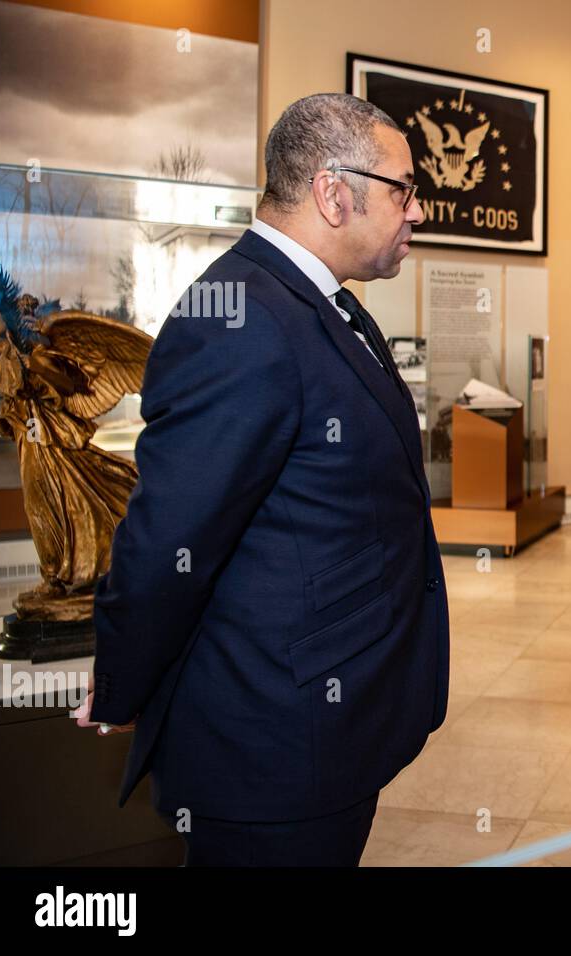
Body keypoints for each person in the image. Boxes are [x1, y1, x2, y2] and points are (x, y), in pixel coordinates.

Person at [73, 93, 449, 866]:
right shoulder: (237, 318)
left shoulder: (325, 303)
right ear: (334, 193)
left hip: (336, 722)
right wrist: (121, 677)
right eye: (403, 189)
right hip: (273, 747)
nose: (416, 211)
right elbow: (170, 540)